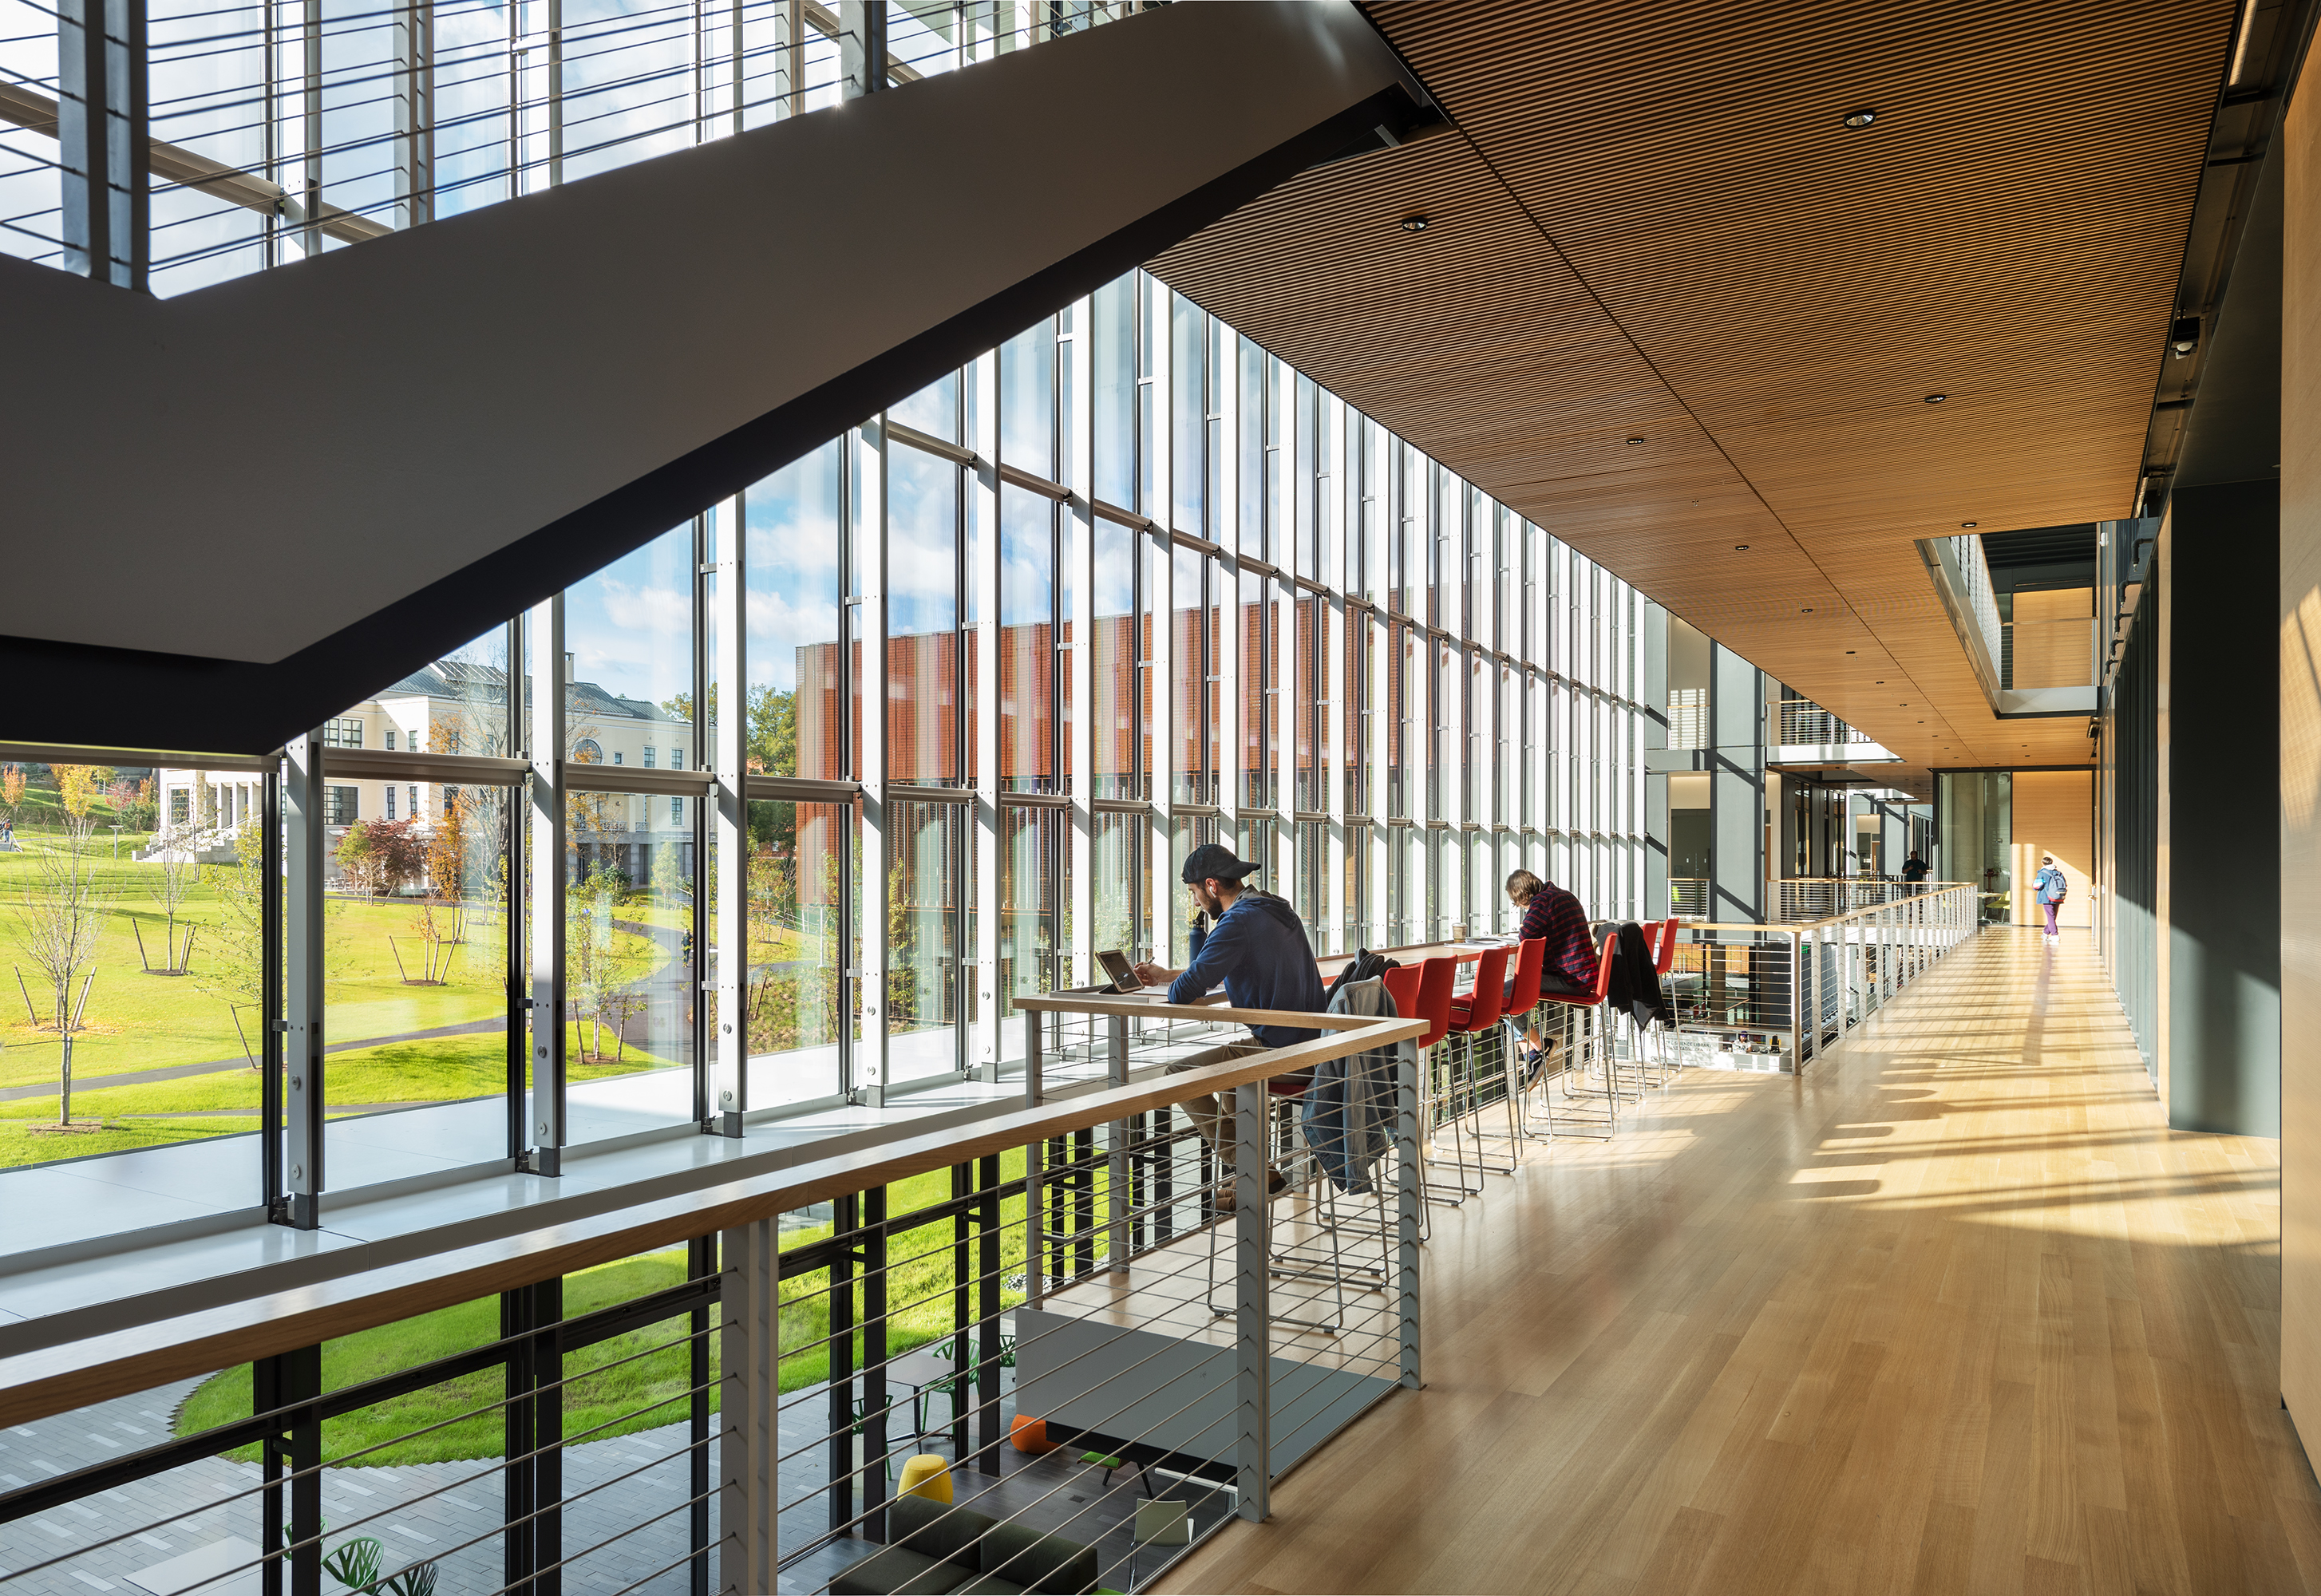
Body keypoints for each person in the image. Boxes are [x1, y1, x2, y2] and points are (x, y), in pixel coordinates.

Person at [1132, 843, 1327, 1208]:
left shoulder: (1236, 921)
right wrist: (1166, 975)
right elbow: (1228, 966)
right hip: (1312, 1043)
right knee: (1234, 1074)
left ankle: (1256, 1173)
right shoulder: (1275, 908)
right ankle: (1250, 1179)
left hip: (1282, 1050)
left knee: (1178, 1074)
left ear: (1210, 886)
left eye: (1192, 893)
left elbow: (1184, 993)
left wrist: (1174, 984)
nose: (1194, 903)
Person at [1503, 868, 1598, 1075]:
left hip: (1572, 980)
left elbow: (1526, 935)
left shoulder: (1542, 902)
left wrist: (1527, 920)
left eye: (1518, 902)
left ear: (1523, 895)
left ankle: (1539, 1047)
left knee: (1503, 994)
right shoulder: (1564, 895)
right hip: (1584, 976)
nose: (1520, 906)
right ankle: (1533, 1055)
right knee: (1512, 994)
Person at [2033, 853, 2069, 942]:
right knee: (2052, 916)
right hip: (2057, 896)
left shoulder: (2042, 873)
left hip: (2047, 898)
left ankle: (2055, 935)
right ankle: (2045, 933)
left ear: (2043, 863)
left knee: (2051, 917)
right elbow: (2064, 884)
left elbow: (2037, 886)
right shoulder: (2059, 873)